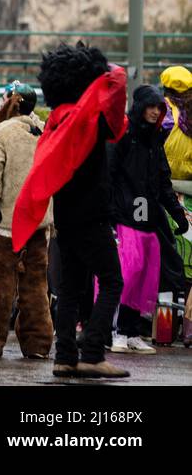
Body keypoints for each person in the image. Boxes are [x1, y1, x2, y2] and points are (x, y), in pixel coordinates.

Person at [13, 43, 129, 380]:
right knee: (111, 282)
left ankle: (65, 356)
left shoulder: (54, 123)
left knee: (71, 290)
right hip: (93, 215)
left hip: (66, 217)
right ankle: (92, 352)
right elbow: (119, 89)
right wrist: (105, 74)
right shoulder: (88, 120)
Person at [0, 82, 52, 359]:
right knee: (36, 289)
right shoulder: (44, 132)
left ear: (10, 103)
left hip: (6, 225)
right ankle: (38, 345)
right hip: (39, 225)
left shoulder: (1, 133)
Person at [108, 83, 188, 354]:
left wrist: (178, 216)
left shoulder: (155, 140)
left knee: (144, 276)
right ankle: (117, 331)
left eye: (159, 107)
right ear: (141, 107)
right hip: (125, 217)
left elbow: (163, 182)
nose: (156, 112)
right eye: (151, 107)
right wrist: (110, 214)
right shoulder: (124, 136)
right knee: (128, 274)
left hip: (148, 220)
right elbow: (109, 175)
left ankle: (131, 332)